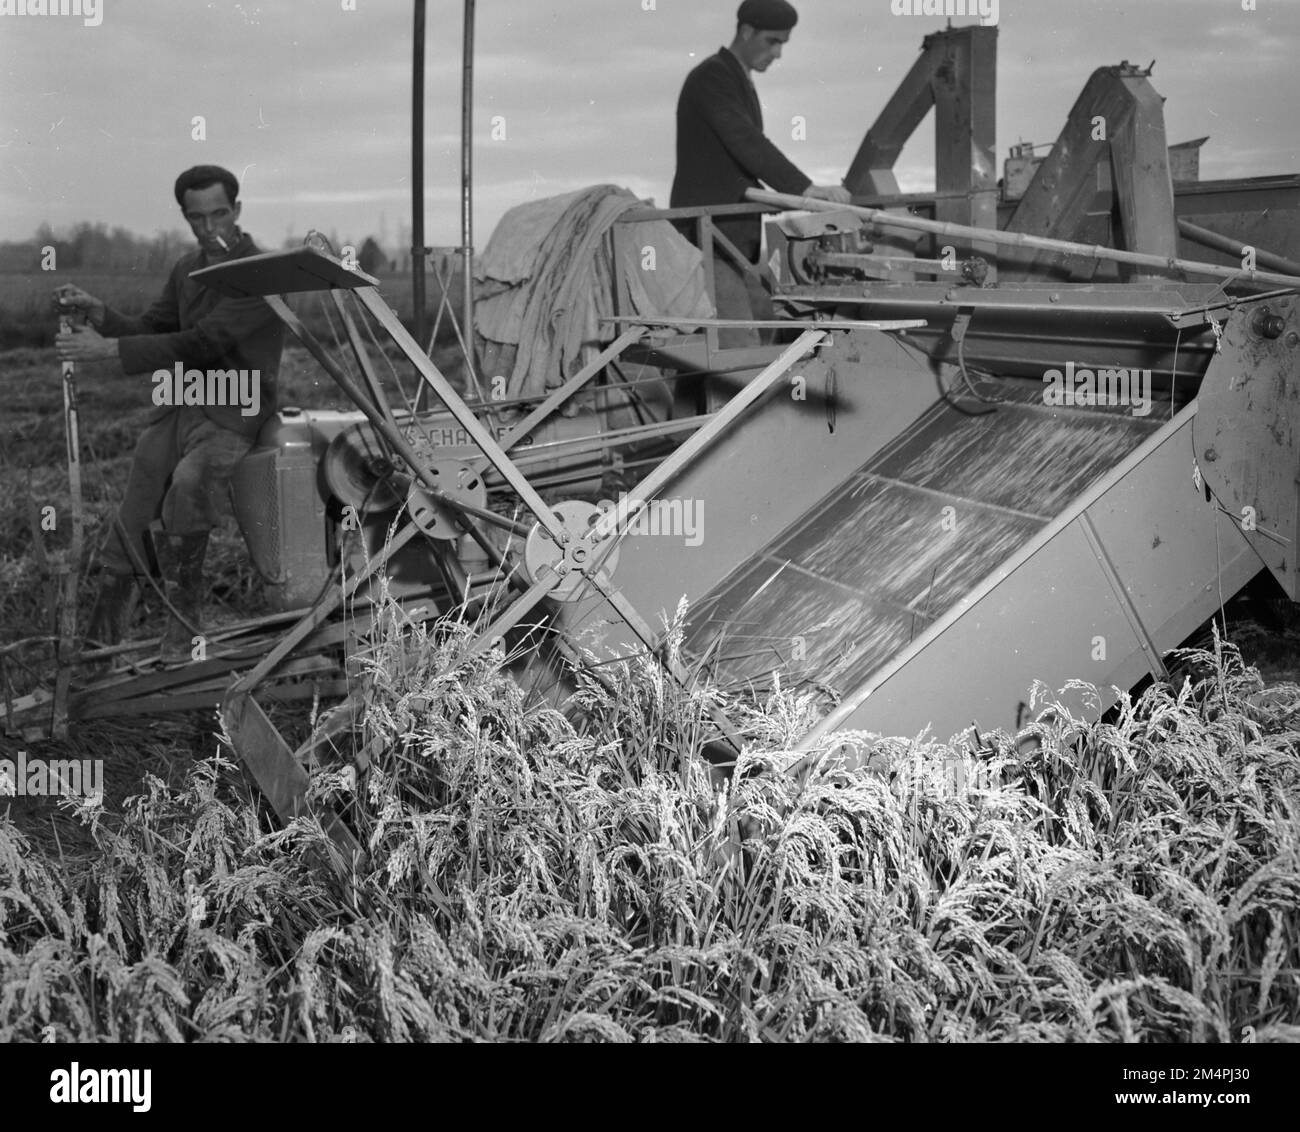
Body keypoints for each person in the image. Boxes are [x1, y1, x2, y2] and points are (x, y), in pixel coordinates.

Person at [53, 164, 284, 663]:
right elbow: (150, 326)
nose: (209, 228)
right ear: (186, 219)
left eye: (219, 215)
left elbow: (204, 342)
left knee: (187, 482)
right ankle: (97, 648)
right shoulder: (185, 269)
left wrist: (108, 352)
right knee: (136, 506)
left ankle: (185, 621)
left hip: (234, 412)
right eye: (197, 219)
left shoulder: (260, 274)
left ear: (237, 211)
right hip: (181, 405)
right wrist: (101, 315)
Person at [670, 0, 852, 346]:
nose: (778, 53)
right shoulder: (711, 76)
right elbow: (747, 142)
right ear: (746, 31)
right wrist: (806, 189)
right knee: (740, 349)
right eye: (772, 41)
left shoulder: (736, 78)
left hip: (730, 245)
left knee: (764, 326)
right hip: (706, 240)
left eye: (783, 43)